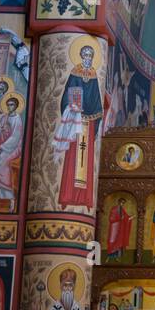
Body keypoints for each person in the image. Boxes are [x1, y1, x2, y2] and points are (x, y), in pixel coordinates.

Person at [52, 44, 103, 209]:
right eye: (85, 55)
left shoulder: (94, 74)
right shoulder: (75, 72)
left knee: (86, 163)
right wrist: (72, 108)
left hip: (88, 123)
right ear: (81, 56)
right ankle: (67, 197)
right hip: (76, 122)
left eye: (90, 55)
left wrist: (95, 114)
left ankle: (85, 200)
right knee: (73, 159)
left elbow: (96, 100)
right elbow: (68, 94)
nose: (88, 58)